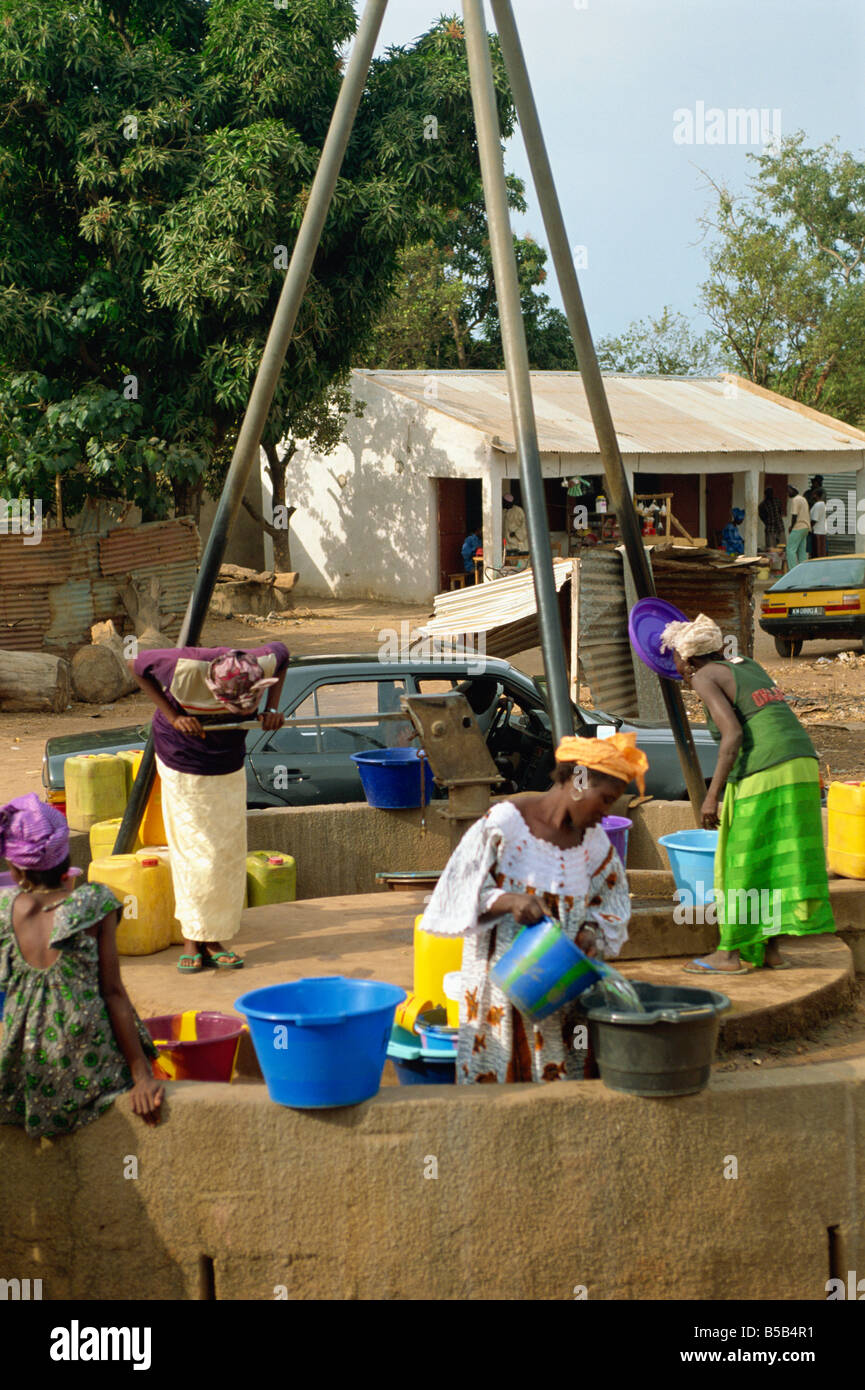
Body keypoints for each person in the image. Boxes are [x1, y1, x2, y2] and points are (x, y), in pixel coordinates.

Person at [419, 732, 648, 1083]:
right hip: (499, 994)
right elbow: (455, 893)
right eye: (605, 800)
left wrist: (590, 932)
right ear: (578, 780)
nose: (605, 813)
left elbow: (611, 902)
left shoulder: (595, 845)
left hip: (561, 995)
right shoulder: (506, 825)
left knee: (564, 1088)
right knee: (500, 1091)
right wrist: (509, 901)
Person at [659, 614, 835, 974]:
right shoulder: (746, 664)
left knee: (740, 861)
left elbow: (733, 734)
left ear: (689, 660)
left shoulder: (704, 676)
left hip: (766, 767)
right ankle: (770, 950)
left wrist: (712, 796)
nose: (674, 666)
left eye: (675, 658)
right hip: (800, 761)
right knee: (771, 857)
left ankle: (729, 955)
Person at [0, 795, 163, 1139]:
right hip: (89, 1075)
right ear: (66, 862)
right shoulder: (93, 903)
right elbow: (113, 993)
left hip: (26, 1078)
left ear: (15, 870)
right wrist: (141, 1076)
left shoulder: (4, 910)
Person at [130, 645, 289, 973]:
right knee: (194, 851)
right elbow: (136, 665)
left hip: (227, 759)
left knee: (225, 852)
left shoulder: (261, 661)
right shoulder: (184, 667)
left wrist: (272, 709)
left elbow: (285, 657)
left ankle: (213, 935)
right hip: (182, 758)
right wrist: (174, 716)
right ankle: (195, 938)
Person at [786, 484, 810, 570]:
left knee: (790, 550)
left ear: (794, 491)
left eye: (789, 491)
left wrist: (791, 527)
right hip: (806, 527)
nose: (787, 493)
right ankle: (803, 571)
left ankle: (792, 571)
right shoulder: (803, 499)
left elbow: (794, 516)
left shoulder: (795, 500)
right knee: (802, 552)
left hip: (798, 527)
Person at [810, 488, 827, 558]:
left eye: (813, 494)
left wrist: (809, 526)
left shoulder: (818, 505)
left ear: (816, 495)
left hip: (817, 531)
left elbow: (814, 519)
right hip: (822, 531)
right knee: (821, 552)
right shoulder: (822, 504)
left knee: (817, 552)